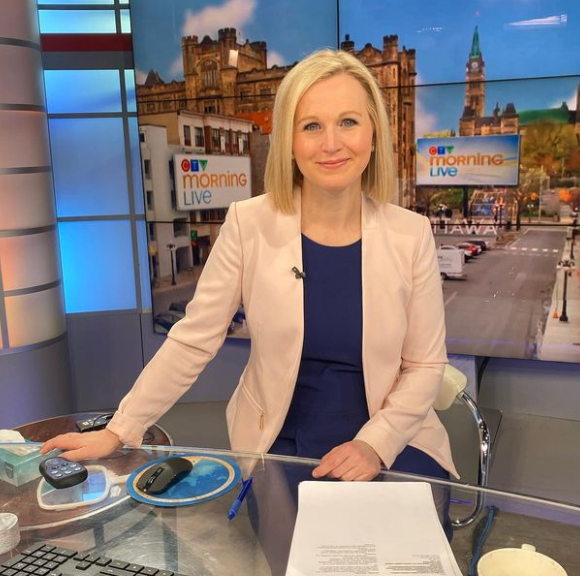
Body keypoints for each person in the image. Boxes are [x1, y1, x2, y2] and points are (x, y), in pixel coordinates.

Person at [42, 49, 457, 490]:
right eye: (311, 126)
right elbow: (193, 340)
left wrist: (375, 444)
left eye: (348, 122)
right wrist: (120, 429)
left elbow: (425, 365)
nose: (331, 143)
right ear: (289, 141)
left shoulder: (411, 234)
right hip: (281, 439)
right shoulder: (248, 223)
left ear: (373, 134)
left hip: (394, 438)